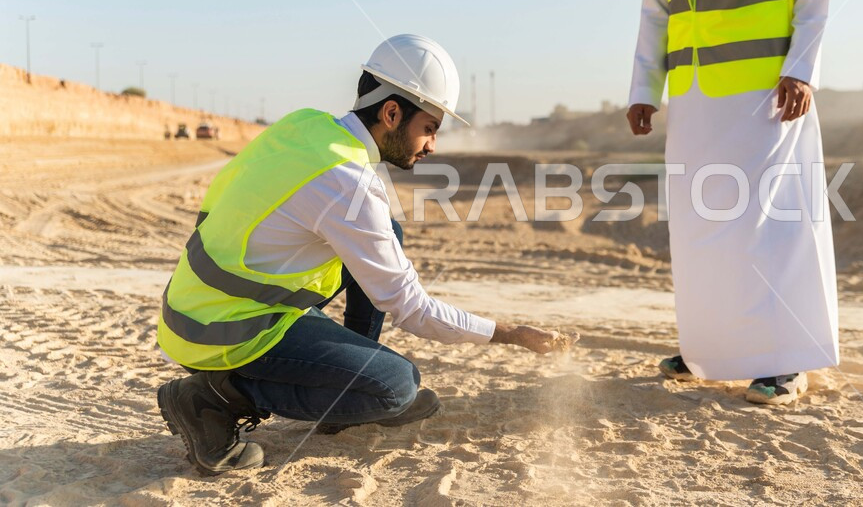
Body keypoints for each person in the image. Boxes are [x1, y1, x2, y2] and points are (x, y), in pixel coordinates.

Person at [156, 34, 570, 475]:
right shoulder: (346, 182)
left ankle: (342, 398)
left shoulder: (306, 125)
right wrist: (509, 334)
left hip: (195, 306)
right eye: (429, 128)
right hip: (224, 328)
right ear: (392, 113)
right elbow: (413, 311)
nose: (432, 145)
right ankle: (213, 399)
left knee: (387, 230)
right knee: (396, 387)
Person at [626, 0, 838, 405]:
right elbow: (658, 5)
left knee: (768, 221)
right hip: (695, 94)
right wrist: (644, 89)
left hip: (767, 89)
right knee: (702, 220)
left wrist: (803, 69)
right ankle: (708, 350)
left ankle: (787, 363)